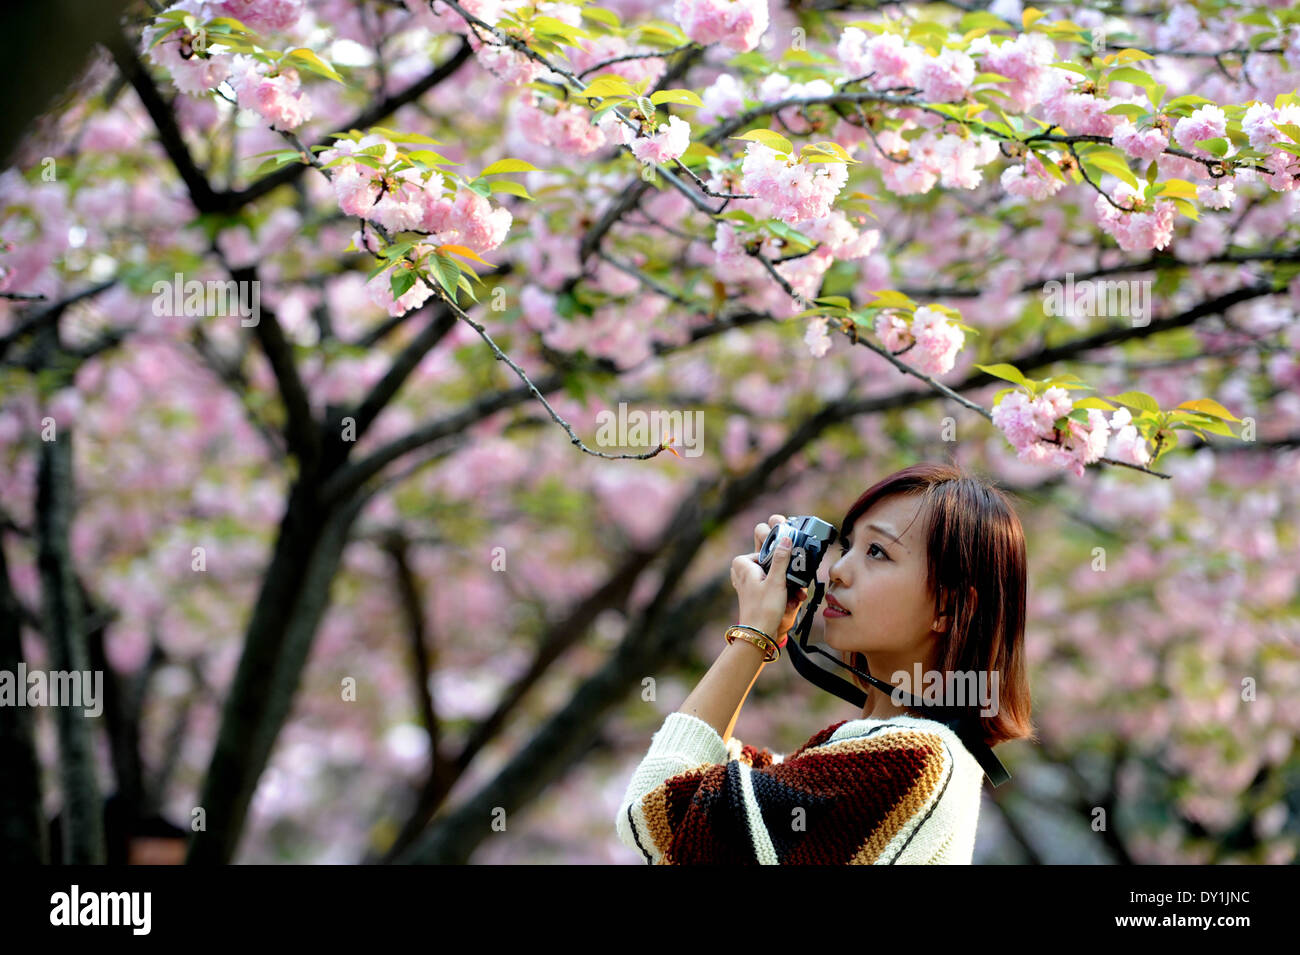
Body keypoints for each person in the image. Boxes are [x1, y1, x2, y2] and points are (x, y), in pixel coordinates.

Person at [614, 462, 1034, 864]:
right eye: (848, 547)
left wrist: (753, 634)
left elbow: (653, 813)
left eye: (877, 552)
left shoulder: (912, 759)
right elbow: (715, 779)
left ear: (949, 607)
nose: (837, 570)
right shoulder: (883, 756)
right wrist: (764, 632)